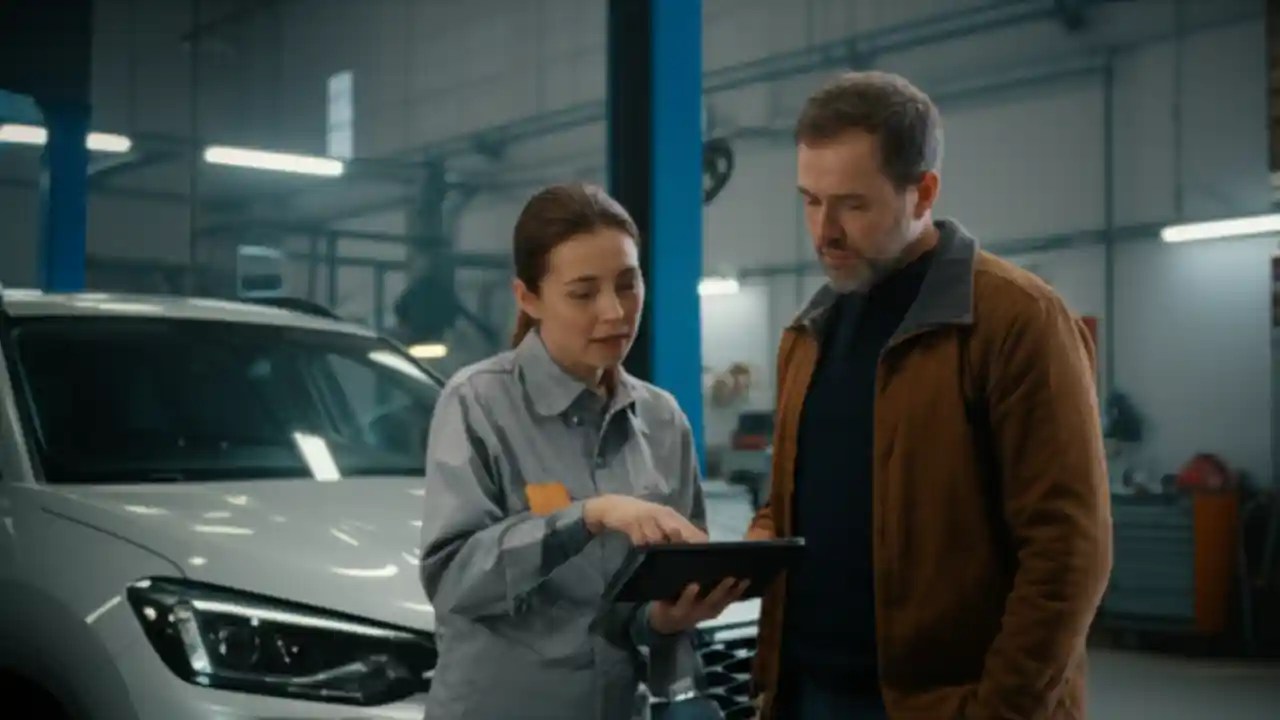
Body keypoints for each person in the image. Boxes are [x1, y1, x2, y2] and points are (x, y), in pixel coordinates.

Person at [745, 71, 1113, 719]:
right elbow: (790, 502)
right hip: (807, 695)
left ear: (924, 193)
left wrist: (998, 710)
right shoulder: (809, 333)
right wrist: (738, 557)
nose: (822, 231)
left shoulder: (1014, 319)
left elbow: (1068, 551)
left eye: (851, 205)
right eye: (809, 199)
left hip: (944, 705)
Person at [418, 183, 747, 720]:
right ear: (528, 297)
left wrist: (662, 618)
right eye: (583, 292)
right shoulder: (477, 402)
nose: (615, 311)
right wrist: (589, 516)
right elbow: (455, 581)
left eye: (628, 283)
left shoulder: (662, 421)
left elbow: (641, 604)